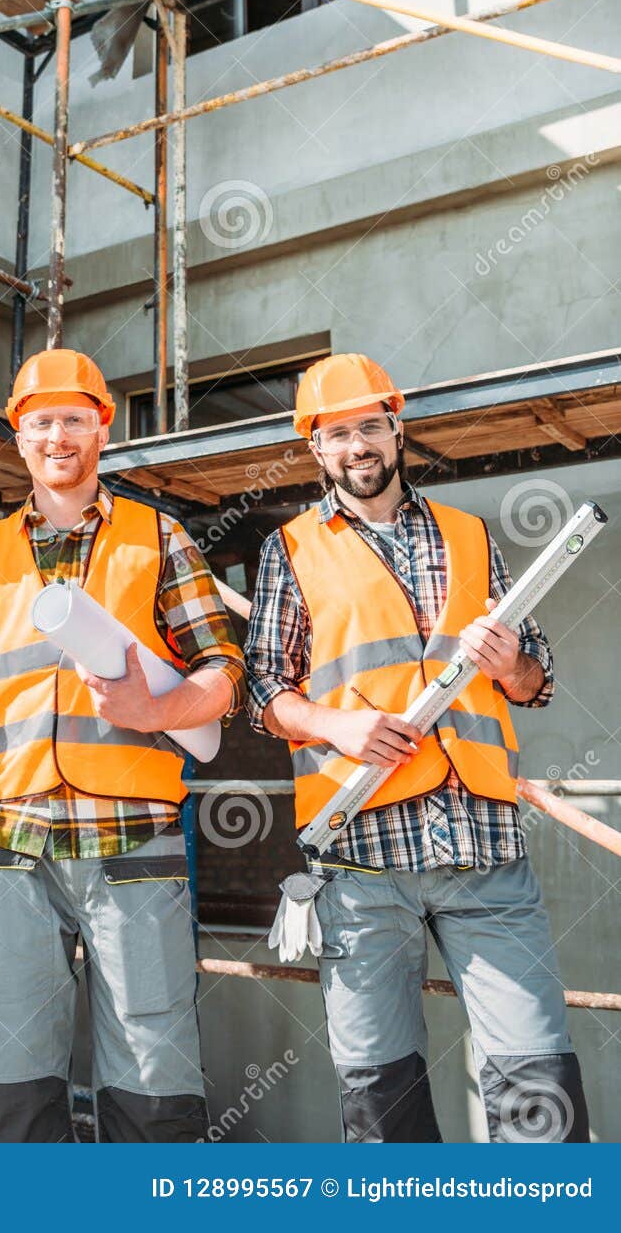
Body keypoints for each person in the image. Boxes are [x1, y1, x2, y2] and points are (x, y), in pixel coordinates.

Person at [247, 352, 589, 1143]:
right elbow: (265, 694)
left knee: (537, 1079)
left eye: (371, 425)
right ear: (316, 449)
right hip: (363, 857)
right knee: (382, 1096)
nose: (357, 445)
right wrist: (338, 727)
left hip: (484, 852)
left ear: (398, 431)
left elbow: (535, 680)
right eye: (337, 433)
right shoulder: (289, 549)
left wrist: (513, 665)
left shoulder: (469, 537)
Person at [0, 348, 245, 1142]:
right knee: (18, 1095)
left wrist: (155, 707)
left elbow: (224, 673)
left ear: (102, 428)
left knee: (153, 1091)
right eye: (39, 422)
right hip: (13, 854)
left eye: (73, 419)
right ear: (18, 437)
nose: (57, 436)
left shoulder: (160, 538)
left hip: (133, 848)